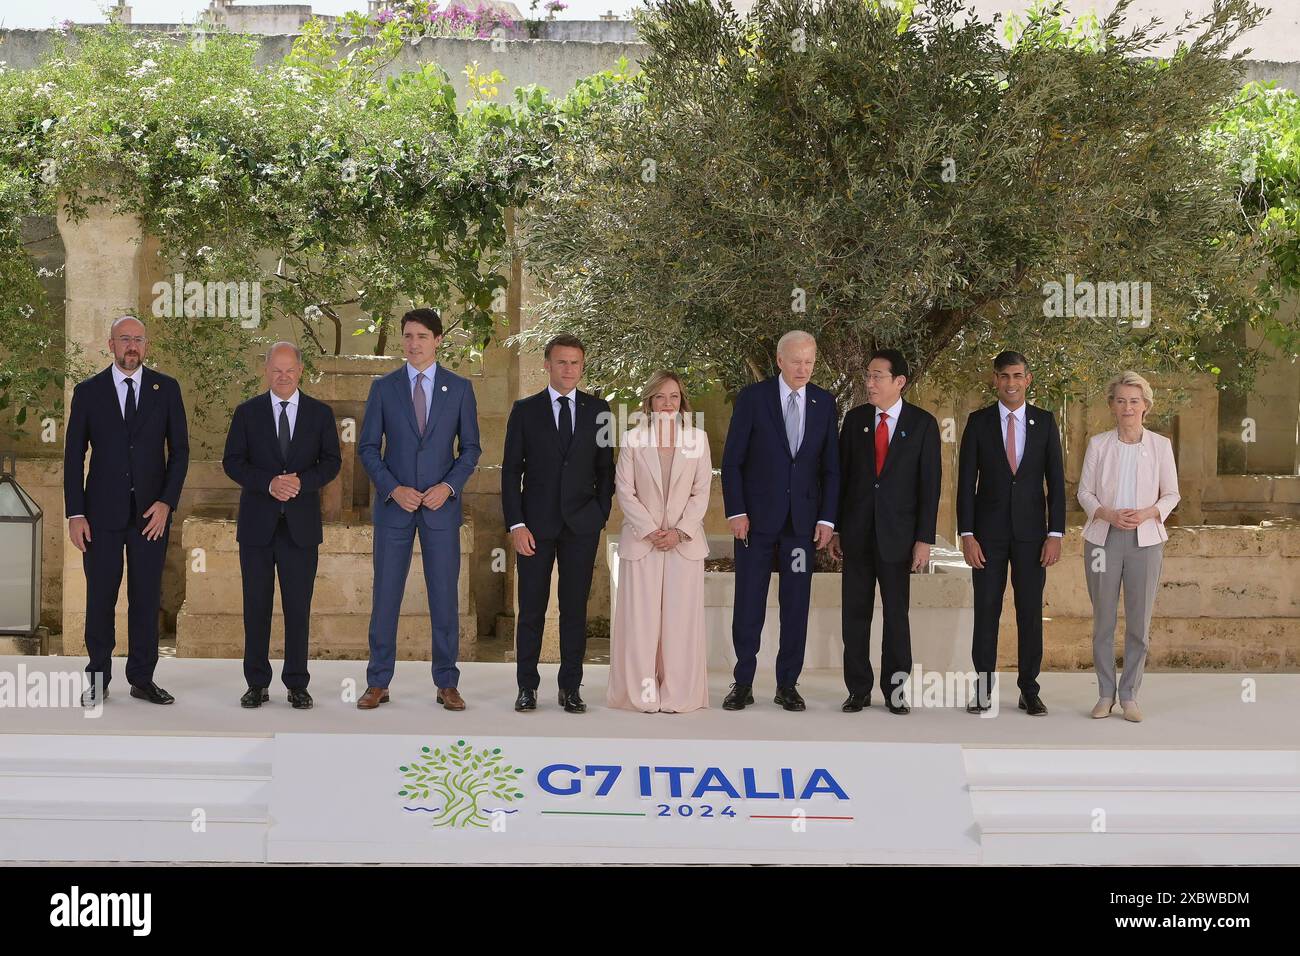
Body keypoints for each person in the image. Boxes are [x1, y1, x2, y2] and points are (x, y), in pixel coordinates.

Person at [356, 308, 481, 711]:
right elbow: (368, 448)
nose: (414, 344)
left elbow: (471, 449)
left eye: (422, 336)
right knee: (385, 596)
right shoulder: (384, 388)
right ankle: (378, 682)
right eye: (408, 336)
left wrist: (448, 487)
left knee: (444, 597)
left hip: (440, 510)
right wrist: (393, 489)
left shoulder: (459, 389)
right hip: (394, 509)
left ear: (438, 340)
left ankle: (447, 683)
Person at [64, 315, 189, 707]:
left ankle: (142, 678)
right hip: (99, 516)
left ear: (146, 345)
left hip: (151, 516)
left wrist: (166, 503)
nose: (132, 346)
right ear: (111, 345)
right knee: (101, 598)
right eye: (124, 339)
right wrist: (75, 514)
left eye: (138, 339)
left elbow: (180, 452)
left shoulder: (166, 389)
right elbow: (73, 457)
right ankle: (97, 679)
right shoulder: (88, 392)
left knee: (146, 598)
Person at [720, 330, 839, 712]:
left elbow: (831, 468)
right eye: (796, 361)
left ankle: (787, 684)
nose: (803, 368)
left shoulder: (824, 402)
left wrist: (827, 519)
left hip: (801, 529)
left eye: (809, 362)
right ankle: (743, 683)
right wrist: (737, 511)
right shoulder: (753, 399)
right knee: (748, 603)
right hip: (754, 525)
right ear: (779, 360)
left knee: (795, 605)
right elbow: (732, 461)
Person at [222, 342, 341, 709]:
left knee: (298, 609)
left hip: (300, 529)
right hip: (257, 528)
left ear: (301, 371)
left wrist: (300, 482)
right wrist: (269, 483)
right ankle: (256, 683)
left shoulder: (320, 414)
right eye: (277, 370)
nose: (283, 376)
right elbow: (233, 462)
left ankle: (297, 683)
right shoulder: (247, 413)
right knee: (256, 607)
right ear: (266, 371)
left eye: (290, 370)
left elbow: (331, 462)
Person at [502, 334, 614, 713]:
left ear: (582, 367)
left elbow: (606, 469)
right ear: (547, 365)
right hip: (534, 527)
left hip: (582, 527)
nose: (569, 369)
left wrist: (599, 514)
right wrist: (516, 524)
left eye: (575, 363)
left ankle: (571, 688)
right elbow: (510, 472)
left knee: (574, 610)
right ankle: (527, 687)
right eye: (561, 362)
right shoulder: (524, 411)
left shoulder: (600, 411)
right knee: (531, 609)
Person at [829, 348, 940, 715]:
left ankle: (895, 691)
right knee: (855, 616)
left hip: (899, 539)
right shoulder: (855, 420)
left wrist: (923, 539)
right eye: (868, 376)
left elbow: (930, 488)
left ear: (899, 381)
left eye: (877, 376)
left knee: (896, 617)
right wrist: (837, 530)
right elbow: (842, 479)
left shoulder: (922, 424)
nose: (870, 383)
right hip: (857, 535)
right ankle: (857, 689)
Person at [956, 350, 1065, 716]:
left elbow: (1056, 483)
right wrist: (967, 534)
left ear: (1028, 379)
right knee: (986, 610)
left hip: (1033, 536)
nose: (1011, 383)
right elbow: (965, 483)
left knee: (1029, 612)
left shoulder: (1045, 422)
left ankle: (1029, 690)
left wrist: (1056, 533)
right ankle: (983, 688)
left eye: (1018, 376)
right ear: (995, 380)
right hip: (987, 536)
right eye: (1004, 376)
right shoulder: (978, 422)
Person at [1077, 371, 1179, 723]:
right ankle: (1105, 694)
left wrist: (1149, 513)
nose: (1128, 407)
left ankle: (1130, 695)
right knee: (1103, 622)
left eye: (1134, 401)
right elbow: (1084, 492)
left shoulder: (1161, 446)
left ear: (1145, 405)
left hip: (1145, 542)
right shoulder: (1098, 445)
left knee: (1139, 622)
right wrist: (1106, 513)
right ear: (1112, 405)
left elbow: (1172, 494)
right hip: (1102, 541)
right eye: (1120, 400)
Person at [607, 371, 711, 713]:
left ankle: (678, 694)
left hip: (685, 544)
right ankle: (642, 694)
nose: (668, 403)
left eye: (674, 397)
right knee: (641, 623)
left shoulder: (698, 439)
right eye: (661, 397)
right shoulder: (632, 439)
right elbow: (625, 490)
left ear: (682, 402)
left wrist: (679, 532)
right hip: (643, 543)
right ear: (649, 401)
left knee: (680, 623)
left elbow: (701, 492)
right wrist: (651, 530)